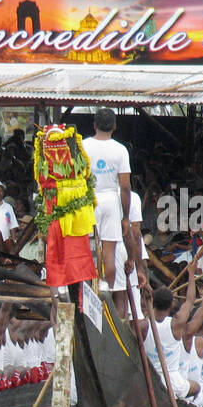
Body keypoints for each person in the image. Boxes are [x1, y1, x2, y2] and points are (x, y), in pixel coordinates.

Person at [82, 108, 132, 312]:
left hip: (88, 199)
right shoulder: (120, 150)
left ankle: (88, 292)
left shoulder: (83, 146)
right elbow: (125, 186)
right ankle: (106, 295)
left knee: (87, 249)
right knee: (109, 251)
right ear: (115, 126)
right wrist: (126, 216)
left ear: (94, 125)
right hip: (111, 200)